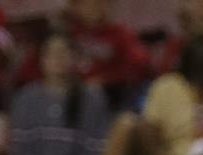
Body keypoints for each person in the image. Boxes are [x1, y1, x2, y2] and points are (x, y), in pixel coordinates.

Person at [5, 33, 113, 155]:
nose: (58, 59)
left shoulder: (92, 98)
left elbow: (96, 147)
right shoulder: (26, 96)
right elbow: (19, 146)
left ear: (74, 58)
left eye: (63, 53)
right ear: (43, 60)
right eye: (51, 54)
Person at [16, 0, 148, 102]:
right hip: (59, 94)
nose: (95, 7)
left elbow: (140, 65)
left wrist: (106, 80)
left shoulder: (120, 34)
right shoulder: (64, 31)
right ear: (75, 6)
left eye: (101, 2)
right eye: (88, 3)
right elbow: (29, 68)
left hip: (104, 97)